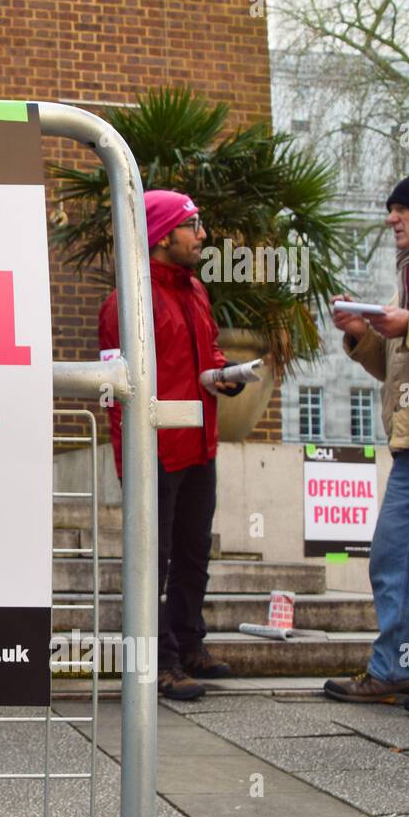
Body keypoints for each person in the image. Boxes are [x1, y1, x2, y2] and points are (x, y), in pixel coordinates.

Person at [98, 190, 243, 701]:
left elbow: (209, 348)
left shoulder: (195, 290)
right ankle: (158, 662)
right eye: (193, 226)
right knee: (151, 560)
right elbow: (115, 385)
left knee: (192, 552)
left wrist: (224, 372)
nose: (203, 235)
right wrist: (131, 457)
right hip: (154, 451)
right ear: (162, 236)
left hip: (200, 445)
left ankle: (188, 643)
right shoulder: (127, 301)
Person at [324, 171, 409, 718]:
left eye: (401, 208)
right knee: (393, 558)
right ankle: (397, 667)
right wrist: (364, 334)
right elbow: (403, 363)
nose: (391, 219)